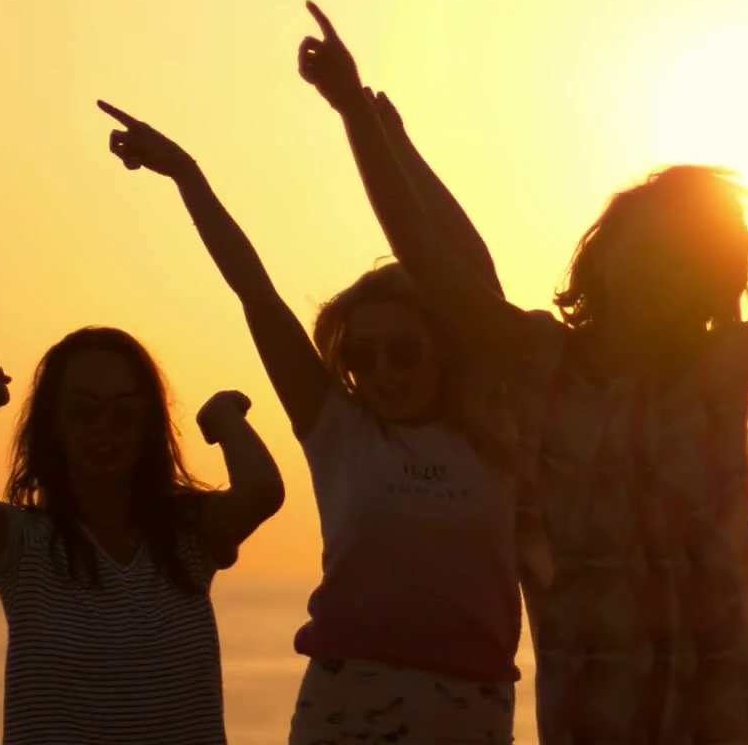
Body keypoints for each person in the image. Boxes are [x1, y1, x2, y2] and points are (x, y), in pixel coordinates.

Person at [299, 2, 748, 744]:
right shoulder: (535, 359)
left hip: (741, 696)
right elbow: (428, 255)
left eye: (683, 257)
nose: (660, 268)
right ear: (603, 252)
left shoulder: (719, 369)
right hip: (600, 704)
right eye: (647, 244)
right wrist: (354, 115)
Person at [98, 98, 523, 743]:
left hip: (469, 705)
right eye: (362, 356)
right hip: (344, 696)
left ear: (444, 348)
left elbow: (472, 269)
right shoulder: (339, 427)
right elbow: (255, 291)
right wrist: (187, 175)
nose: (384, 371)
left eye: (403, 351)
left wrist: (390, 142)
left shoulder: (492, 424)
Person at [0, 332, 283, 745]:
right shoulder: (22, 544)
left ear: (148, 425)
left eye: (124, 414)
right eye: (83, 412)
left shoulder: (188, 537)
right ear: (55, 424)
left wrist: (224, 419)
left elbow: (263, 490)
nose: (104, 429)